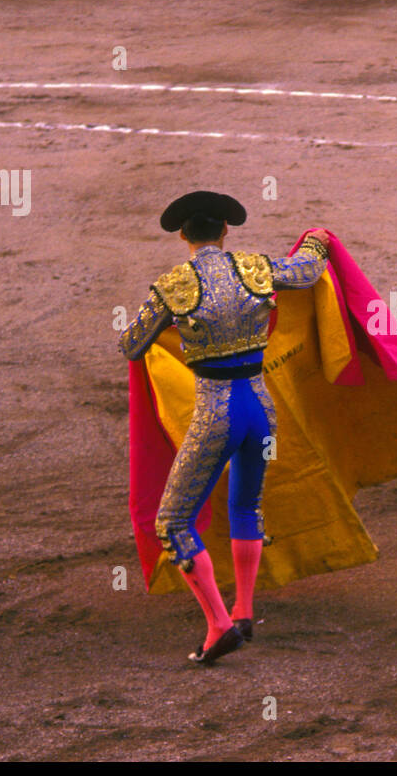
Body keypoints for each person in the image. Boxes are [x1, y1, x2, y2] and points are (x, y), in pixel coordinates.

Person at [118, 190, 330, 666]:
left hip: (217, 413)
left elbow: (131, 345)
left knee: (171, 522)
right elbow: (308, 270)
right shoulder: (254, 267)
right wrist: (317, 240)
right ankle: (244, 609)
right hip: (261, 409)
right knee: (246, 503)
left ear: (182, 236)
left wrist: (177, 321)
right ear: (226, 231)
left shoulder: (173, 286)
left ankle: (218, 625)